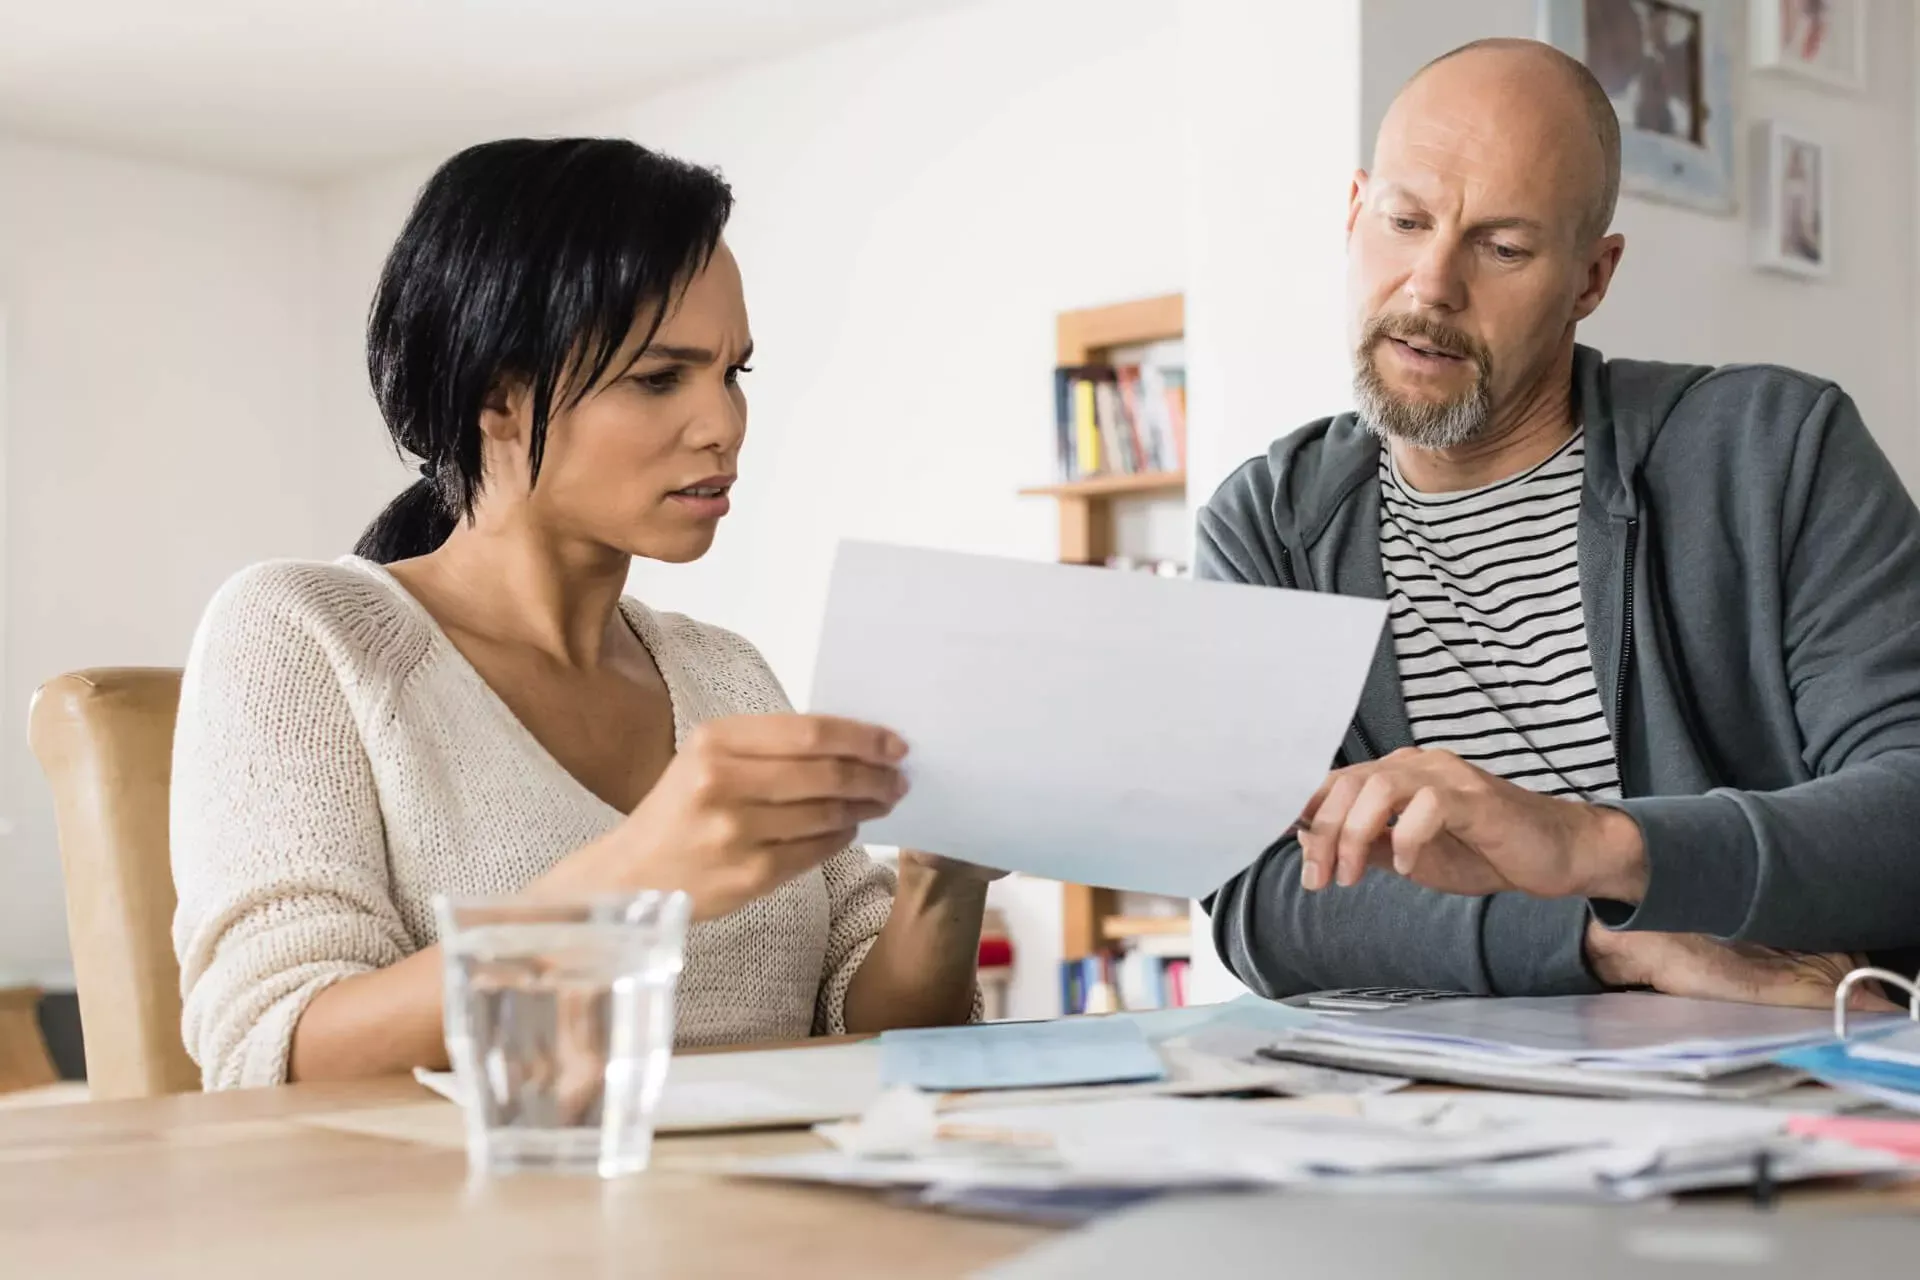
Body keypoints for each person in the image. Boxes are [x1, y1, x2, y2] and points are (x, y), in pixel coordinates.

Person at [171, 138, 994, 1090]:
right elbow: (276, 1055)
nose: (722, 424)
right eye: (659, 378)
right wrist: (633, 882)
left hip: (770, 1219)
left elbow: (866, 1030)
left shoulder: (728, 674)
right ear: (500, 400)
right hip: (465, 1227)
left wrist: (947, 876)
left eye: (734, 374)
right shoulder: (306, 635)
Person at [1198, 40, 1920, 1009]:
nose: (1430, 286)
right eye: (1405, 221)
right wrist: (1608, 939)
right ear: (1354, 211)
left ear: (1591, 277)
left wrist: (1592, 846)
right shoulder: (1271, 523)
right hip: (1416, 1109)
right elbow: (1255, 891)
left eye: (1502, 248)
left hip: (1774, 1083)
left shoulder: (1775, 451)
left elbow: (1909, 800)